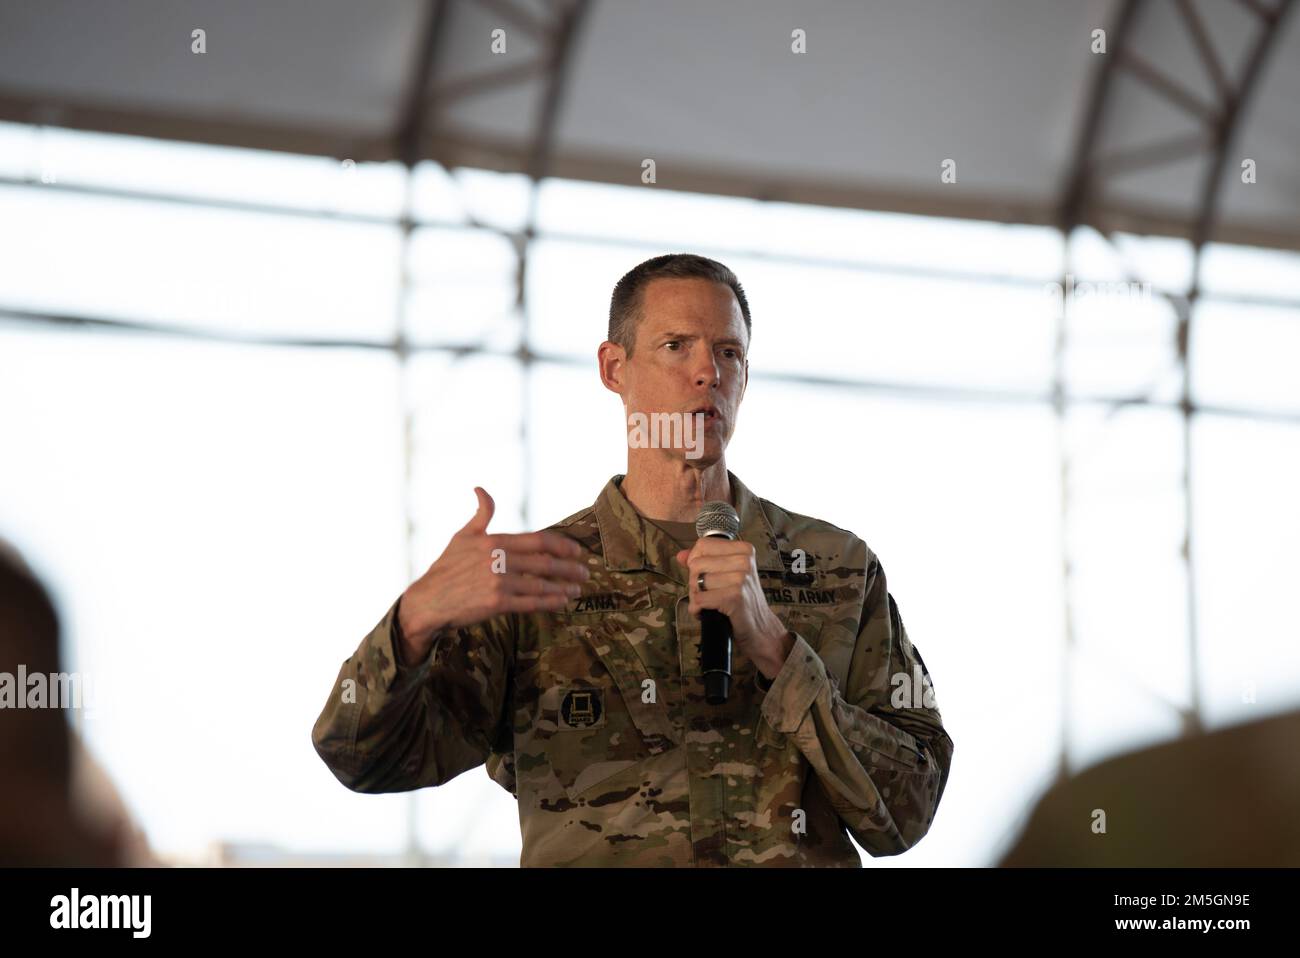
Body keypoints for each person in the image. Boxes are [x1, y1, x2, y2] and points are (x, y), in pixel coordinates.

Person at [312, 253, 955, 866]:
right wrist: (412, 622)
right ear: (614, 369)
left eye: (728, 352)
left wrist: (777, 650)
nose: (709, 372)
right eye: (677, 346)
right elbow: (360, 756)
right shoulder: (540, 578)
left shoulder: (836, 568)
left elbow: (909, 811)